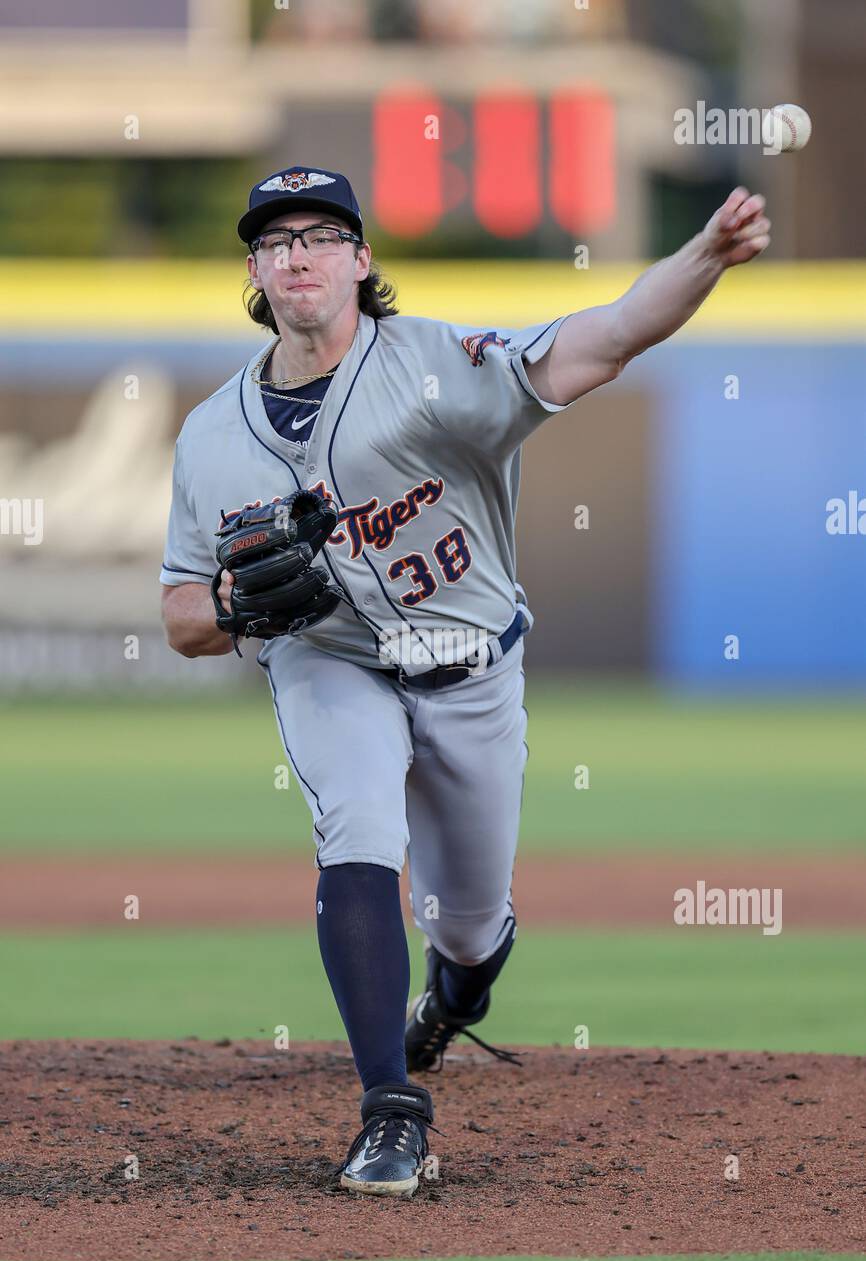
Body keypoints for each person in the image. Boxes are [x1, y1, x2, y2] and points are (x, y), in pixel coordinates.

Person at [160, 165, 770, 1197]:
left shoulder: (438, 364)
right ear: (256, 274)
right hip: (333, 661)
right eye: (273, 242)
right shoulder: (213, 436)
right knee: (356, 828)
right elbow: (178, 614)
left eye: (318, 235)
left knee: (469, 925)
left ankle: (453, 993)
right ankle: (389, 1113)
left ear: (361, 260)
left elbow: (606, 336)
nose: (295, 254)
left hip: (471, 669)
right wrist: (227, 611)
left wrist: (702, 256)